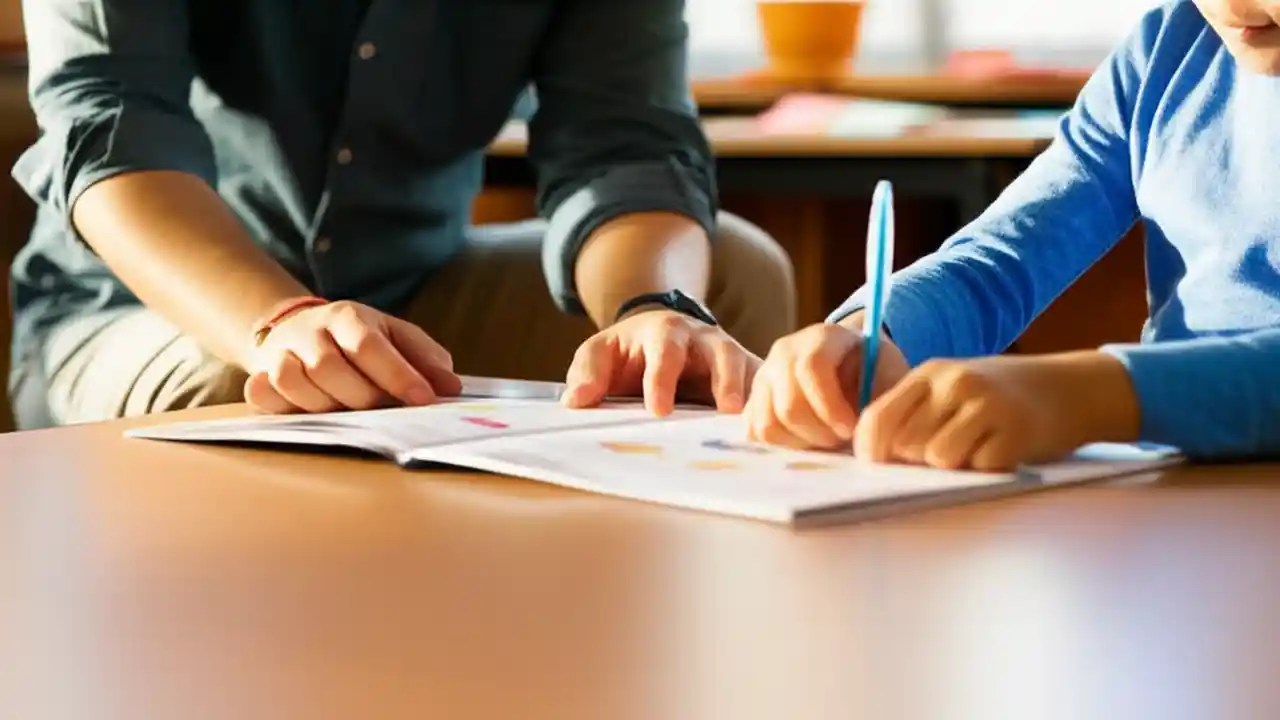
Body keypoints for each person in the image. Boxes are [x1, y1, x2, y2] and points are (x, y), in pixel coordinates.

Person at [8, 0, 795, 430]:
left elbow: (627, 145)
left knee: (732, 282)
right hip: (147, 315)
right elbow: (112, 134)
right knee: (256, 387)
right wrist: (281, 324)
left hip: (413, 303)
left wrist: (653, 307)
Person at [746, 0, 1280, 470]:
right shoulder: (1167, 50)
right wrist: (874, 333)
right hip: (1174, 494)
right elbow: (999, 262)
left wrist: (1095, 396)